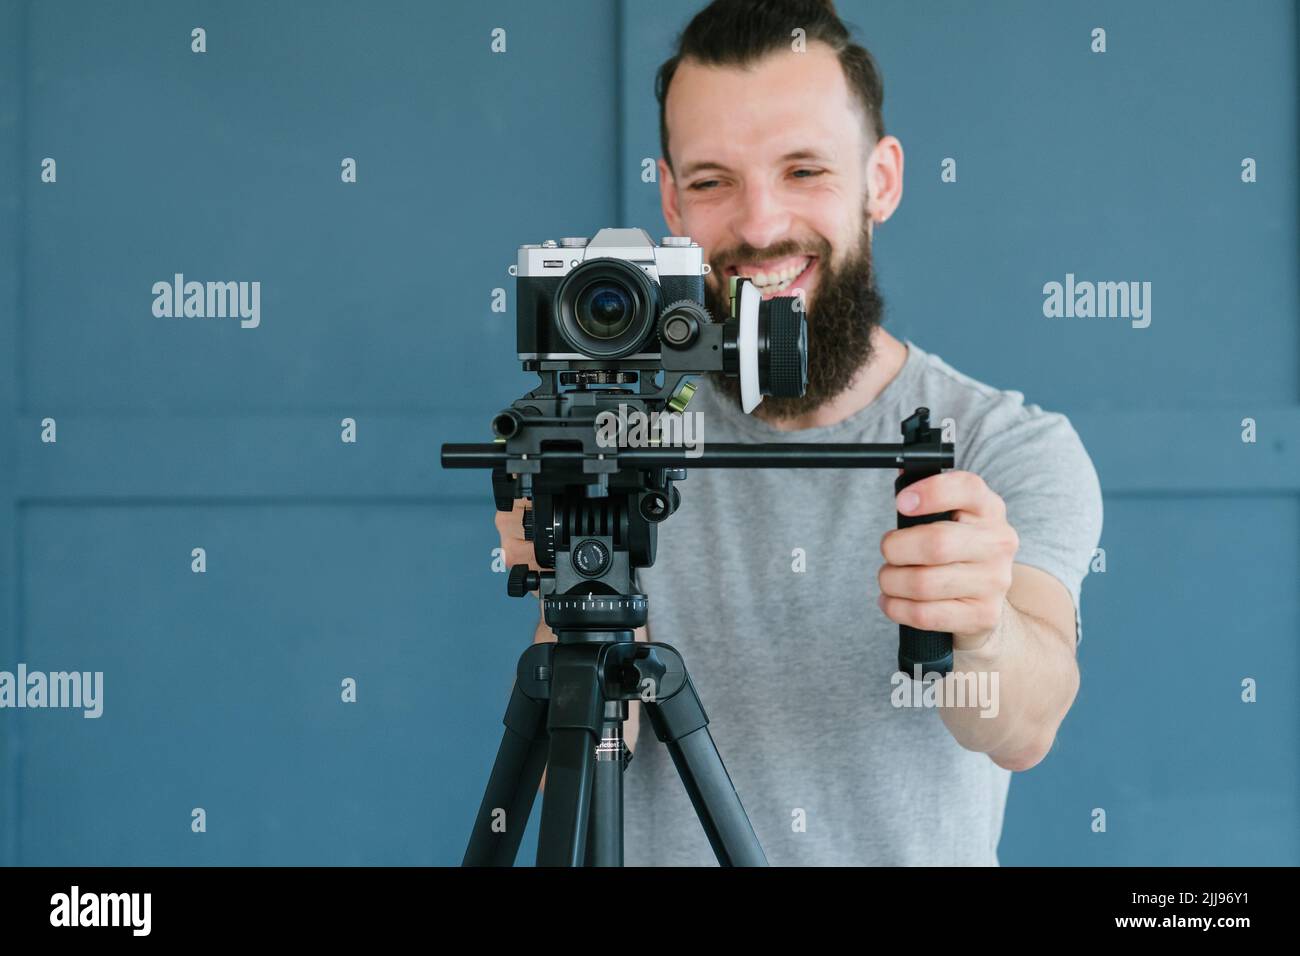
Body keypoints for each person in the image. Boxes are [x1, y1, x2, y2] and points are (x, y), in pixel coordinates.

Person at [495, 0, 1103, 865]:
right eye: (712, 181)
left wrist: (980, 625)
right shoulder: (618, 433)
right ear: (670, 199)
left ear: (880, 181)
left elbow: (1023, 726)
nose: (758, 225)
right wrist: (567, 584)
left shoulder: (1004, 444)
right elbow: (585, 772)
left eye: (804, 169)